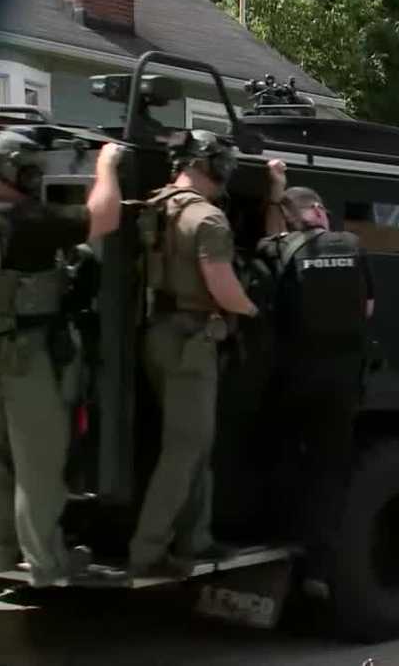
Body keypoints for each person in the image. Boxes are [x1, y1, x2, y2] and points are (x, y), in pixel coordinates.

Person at [129, 130, 258, 577]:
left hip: (159, 333)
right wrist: (251, 307)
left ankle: (195, 539)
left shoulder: (157, 206)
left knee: (193, 445)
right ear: (210, 164)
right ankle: (148, 550)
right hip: (191, 340)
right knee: (186, 449)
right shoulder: (207, 219)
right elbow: (221, 285)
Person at [0, 129, 124, 586]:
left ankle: (3, 551)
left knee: (3, 461)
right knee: (40, 463)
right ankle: (46, 564)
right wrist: (106, 166)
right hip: (25, 355)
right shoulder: (30, 220)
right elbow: (104, 217)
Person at [258, 159, 373, 590]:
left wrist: (275, 186)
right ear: (320, 211)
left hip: (295, 373)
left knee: (287, 456)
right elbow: (368, 309)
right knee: (330, 471)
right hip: (342, 375)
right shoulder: (353, 244)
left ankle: (278, 537)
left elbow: (269, 240)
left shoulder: (279, 248)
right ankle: (319, 567)